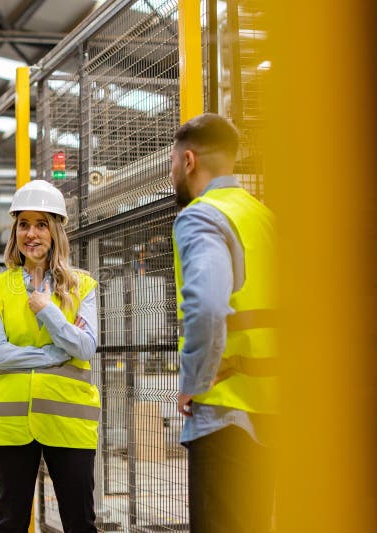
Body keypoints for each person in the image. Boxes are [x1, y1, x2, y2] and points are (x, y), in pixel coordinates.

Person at [170, 113, 277, 533]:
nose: (173, 173)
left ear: (189, 161)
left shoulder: (202, 217)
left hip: (226, 413)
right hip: (271, 409)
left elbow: (207, 306)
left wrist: (195, 381)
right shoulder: (263, 217)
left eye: (173, 163)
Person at [0, 180, 100, 533]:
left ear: (56, 231)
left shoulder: (83, 285)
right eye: (24, 224)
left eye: (41, 224)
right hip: (10, 425)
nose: (31, 234)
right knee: (10, 523)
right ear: (14, 231)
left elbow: (85, 347)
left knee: (80, 523)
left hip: (69, 423)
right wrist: (54, 353)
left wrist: (48, 310)